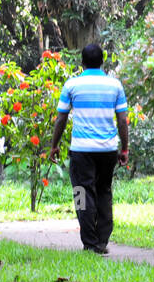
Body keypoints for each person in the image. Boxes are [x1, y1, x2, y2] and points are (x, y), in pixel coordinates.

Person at [48, 44, 129, 254]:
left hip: (81, 150)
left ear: (82, 62)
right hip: (108, 149)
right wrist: (125, 148)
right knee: (104, 191)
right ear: (102, 61)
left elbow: (61, 118)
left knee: (82, 193)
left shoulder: (72, 85)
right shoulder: (115, 86)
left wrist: (54, 146)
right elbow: (122, 121)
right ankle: (102, 240)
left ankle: (90, 242)